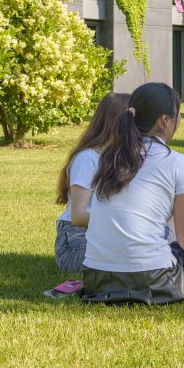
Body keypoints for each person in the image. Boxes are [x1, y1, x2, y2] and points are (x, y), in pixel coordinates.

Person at [81, 82, 184, 304]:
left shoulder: (107, 157)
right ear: (165, 120)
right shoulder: (176, 162)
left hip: (96, 279)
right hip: (152, 281)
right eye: (177, 116)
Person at [54, 92, 130, 273]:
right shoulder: (87, 159)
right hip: (76, 239)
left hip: (106, 234)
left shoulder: (123, 159)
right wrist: (120, 220)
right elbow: (78, 216)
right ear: (118, 122)